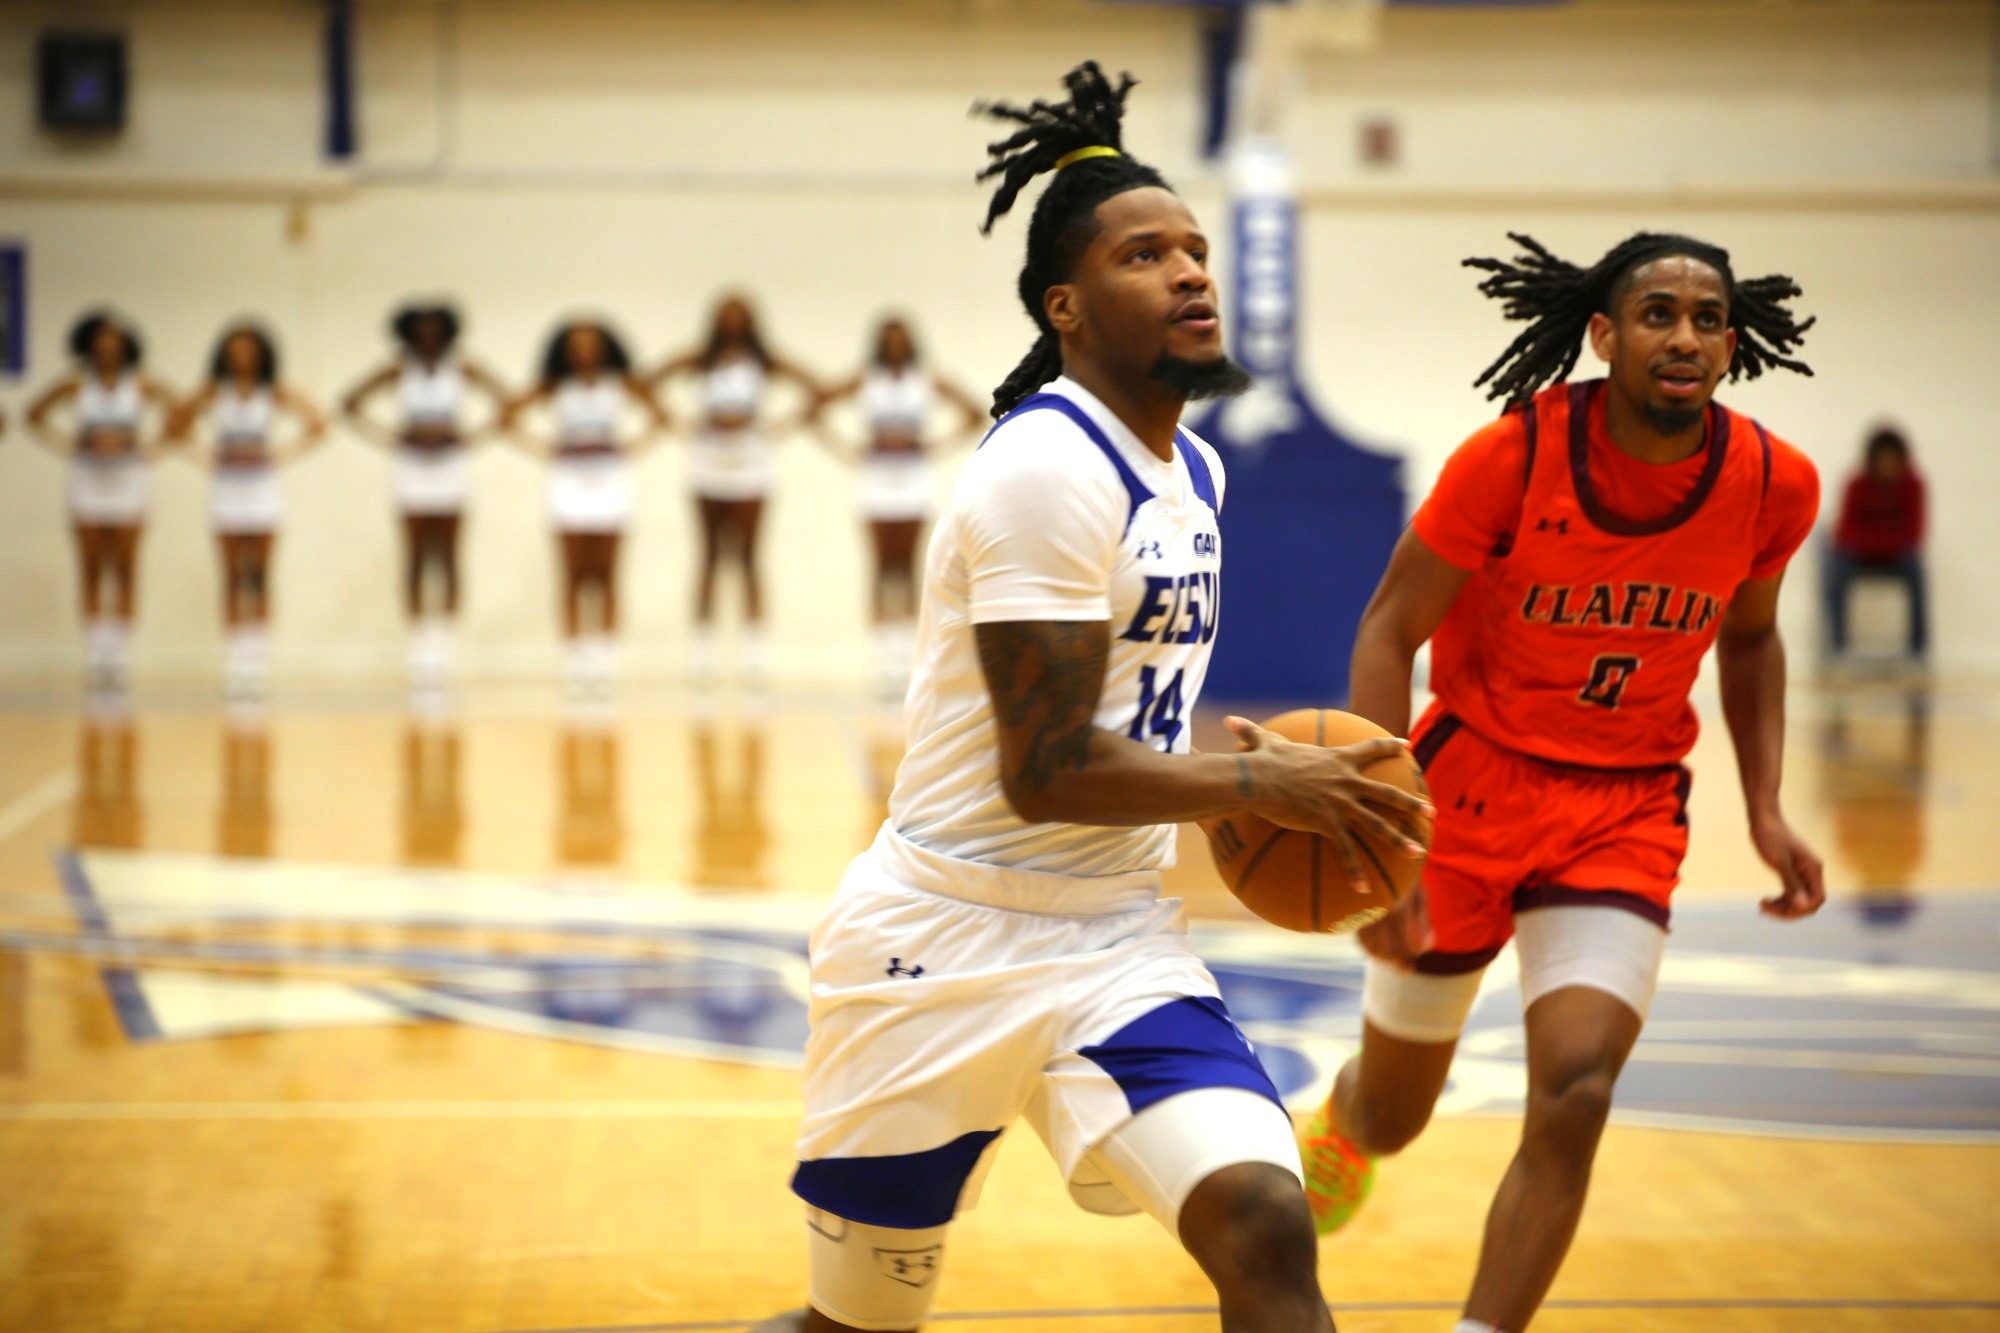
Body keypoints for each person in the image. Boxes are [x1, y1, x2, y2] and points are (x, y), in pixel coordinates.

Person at [756, 63, 1429, 1333]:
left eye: (1194, 250)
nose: (1188, 273)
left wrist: (1266, 783)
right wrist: (1259, 782)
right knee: (853, 1329)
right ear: (1065, 307)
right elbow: (1047, 768)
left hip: (1113, 939)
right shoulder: (1044, 471)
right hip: (936, 941)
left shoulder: (1196, 475)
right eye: (1142, 256)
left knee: (1268, 1226)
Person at [1294, 231, 1826, 1333]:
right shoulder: (1512, 456)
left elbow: (1753, 642)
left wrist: (1763, 806)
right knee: (1396, 1115)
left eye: (1705, 317)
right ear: (1602, 334)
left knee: (1576, 1086)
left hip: (1622, 808)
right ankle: (1343, 1118)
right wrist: (1380, 828)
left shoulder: (1773, 482)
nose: (1683, 336)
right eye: (1655, 313)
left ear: (1730, 341)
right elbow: (1390, 627)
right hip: (1469, 790)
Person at [646, 295, 823, 685]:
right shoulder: (700, 359)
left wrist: (780, 426)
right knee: (708, 554)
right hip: (707, 461)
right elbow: (645, 383)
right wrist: (675, 421)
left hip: (751, 462)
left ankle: (754, 653)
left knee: (747, 557)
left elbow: (818, 388)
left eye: (739, 316)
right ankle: (702, 653)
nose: (732, 323)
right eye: (726, 316)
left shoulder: (764, 361)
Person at [810, 315, 985, 697]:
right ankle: (881, 661)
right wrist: (850, 449)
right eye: (888, 339)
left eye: (901, 338)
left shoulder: (926, 378)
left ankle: (905, 657)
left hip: (913, 483)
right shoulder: (865, 379)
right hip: (874, 482)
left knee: (907, 568)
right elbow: (814, 408)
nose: (895, 346)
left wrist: (935, 445)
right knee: (880, 566)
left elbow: (974, 412)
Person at [340, 303, 511, 688]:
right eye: (421, 328)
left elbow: (508, 403)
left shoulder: (462, 367)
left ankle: (445, 645)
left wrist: (471, 436)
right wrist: (391, 437)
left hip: (450, 469)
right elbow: (350, 402)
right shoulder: (399, 369)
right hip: (412, 470)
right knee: (415, 556)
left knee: (448, 556)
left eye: (435, 327)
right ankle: (419, 646)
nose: (428, 335)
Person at [501, 320, 669, 695]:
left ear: (606, 347)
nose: (584, 352)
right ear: (563, 350)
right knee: (573, 574)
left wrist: (629, 446)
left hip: (611, 483)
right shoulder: (556, 386)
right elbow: (507, 416)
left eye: (591, 344)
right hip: (568, 484)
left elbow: (663, 417)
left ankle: (605, 662)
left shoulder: (620, 385)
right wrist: (547, 448)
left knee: (607, 574)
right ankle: (575, 663)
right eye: (576, 345)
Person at [171, 322, 328, 695]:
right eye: (234, 350)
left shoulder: (272, 392)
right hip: (226, 491)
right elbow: (174, 424)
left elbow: (318, 424)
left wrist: (279, 454)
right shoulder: (213, 392)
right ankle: (234, 660)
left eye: (248, 350)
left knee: (258, 573)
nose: (241, 357)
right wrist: (205, 456)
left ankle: (255, 658)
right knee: (231, 573)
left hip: (262, 491)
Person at [24, 310, 180, 688]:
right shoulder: (77, 384)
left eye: (115, 338)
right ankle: (96, 655)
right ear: (89, 342)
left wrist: (150, 449)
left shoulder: (140, 383)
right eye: (101, 338)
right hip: (88, 482)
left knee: (125, 568)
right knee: (92, 567)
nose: (108, 345)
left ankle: (120, 656)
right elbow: (33, 415)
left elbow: (182, 411)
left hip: (128, 481)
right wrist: (70, 445)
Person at [1824, 425, 1926, 662]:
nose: (1887, 465)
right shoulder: (1856, 484)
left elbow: (1914, 534)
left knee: (1916, 568)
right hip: (1858, 554)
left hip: (1896, 554)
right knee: (1837, 566)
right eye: (1882, 459)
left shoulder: (1914, 485)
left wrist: (1876, 542)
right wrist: (1880, 542)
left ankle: (1918, 648)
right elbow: (1845, 533)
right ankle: (1838, 646)